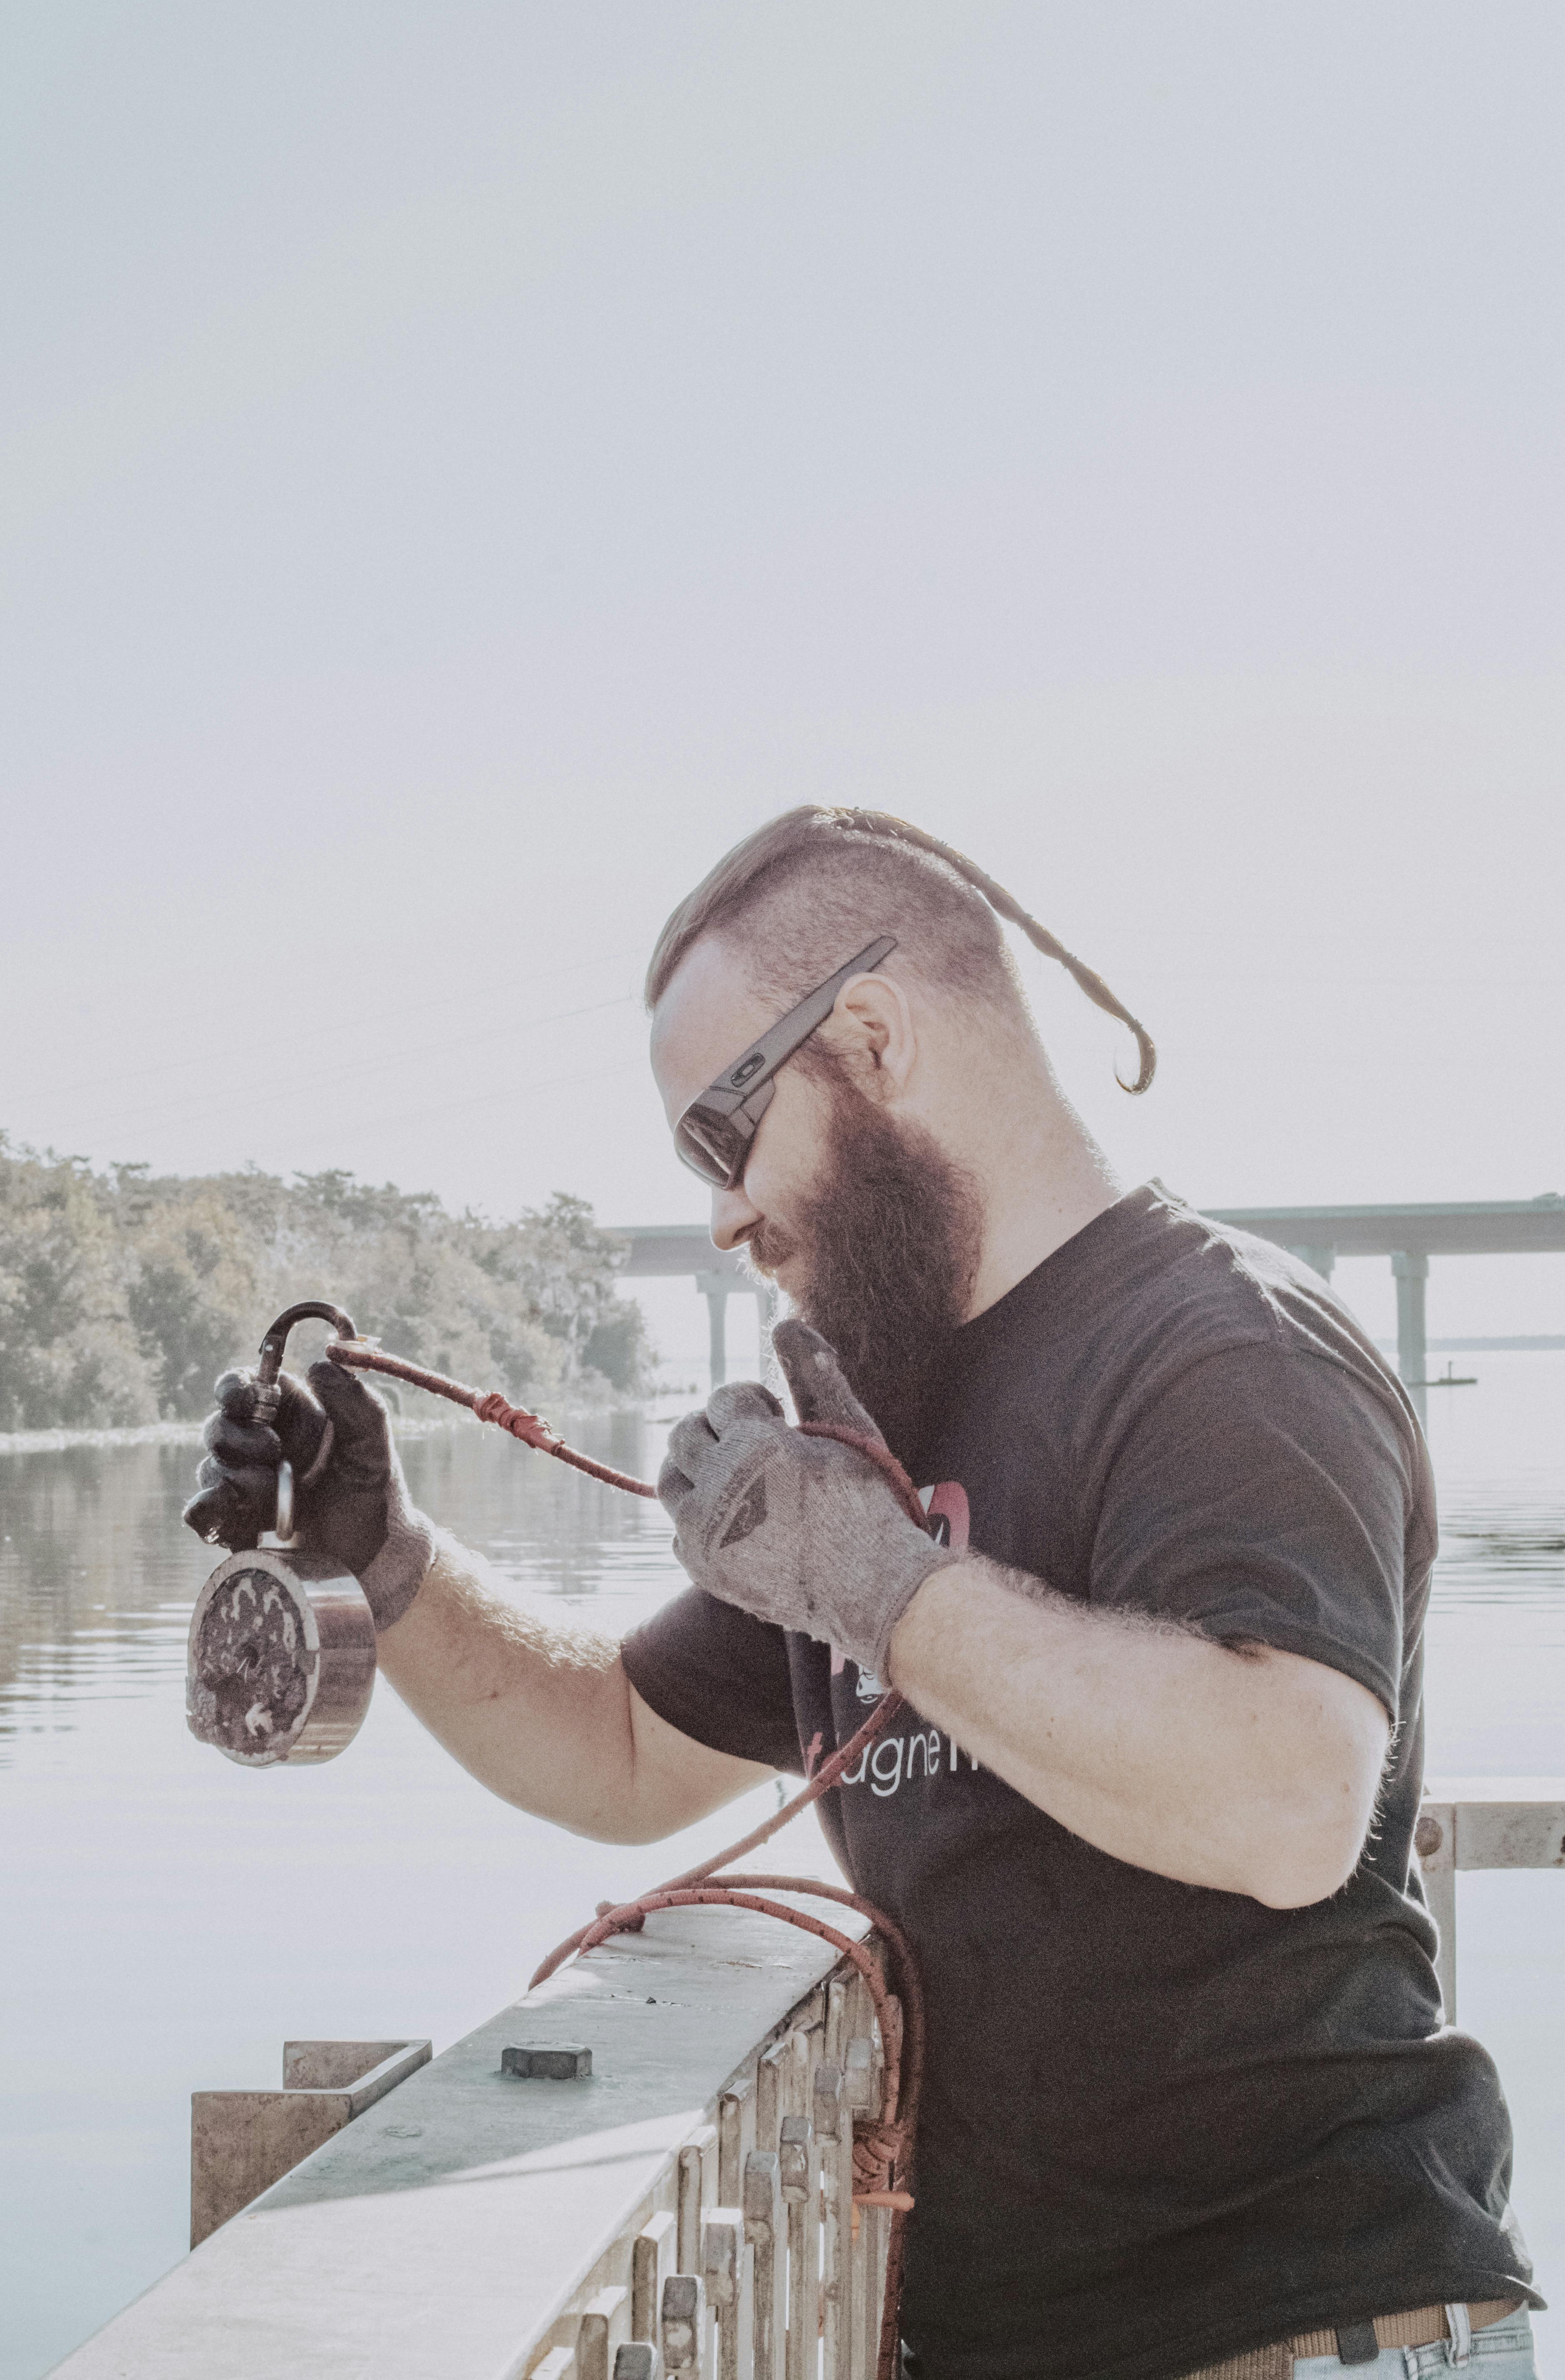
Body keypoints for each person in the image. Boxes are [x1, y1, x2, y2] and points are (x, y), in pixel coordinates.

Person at [187, 805, 1539, 2380]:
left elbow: (1287, 1805)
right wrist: (386, 1547)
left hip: (1311, 2339)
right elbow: (621, 1751)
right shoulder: (881, 1430)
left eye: (723, 1134)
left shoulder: (1225, 1352)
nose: (722, 1214)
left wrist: (872, 1579)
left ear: (873, 1038)